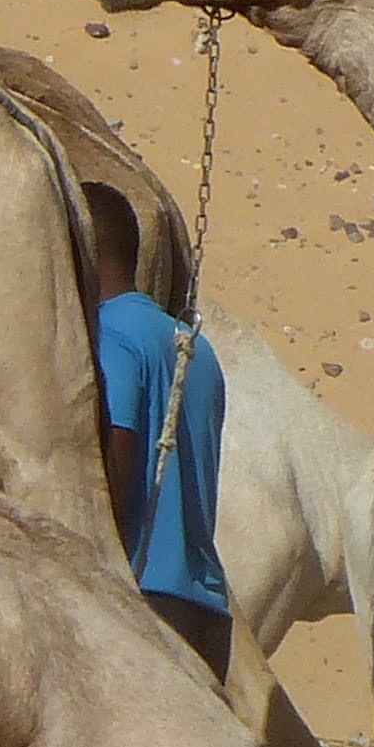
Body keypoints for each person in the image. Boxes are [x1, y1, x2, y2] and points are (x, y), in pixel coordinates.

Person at [88, 190, 234, 678]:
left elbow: (119, 454)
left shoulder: (111, 335)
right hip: (205, 613)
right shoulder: (199, 350)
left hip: (141, 602)